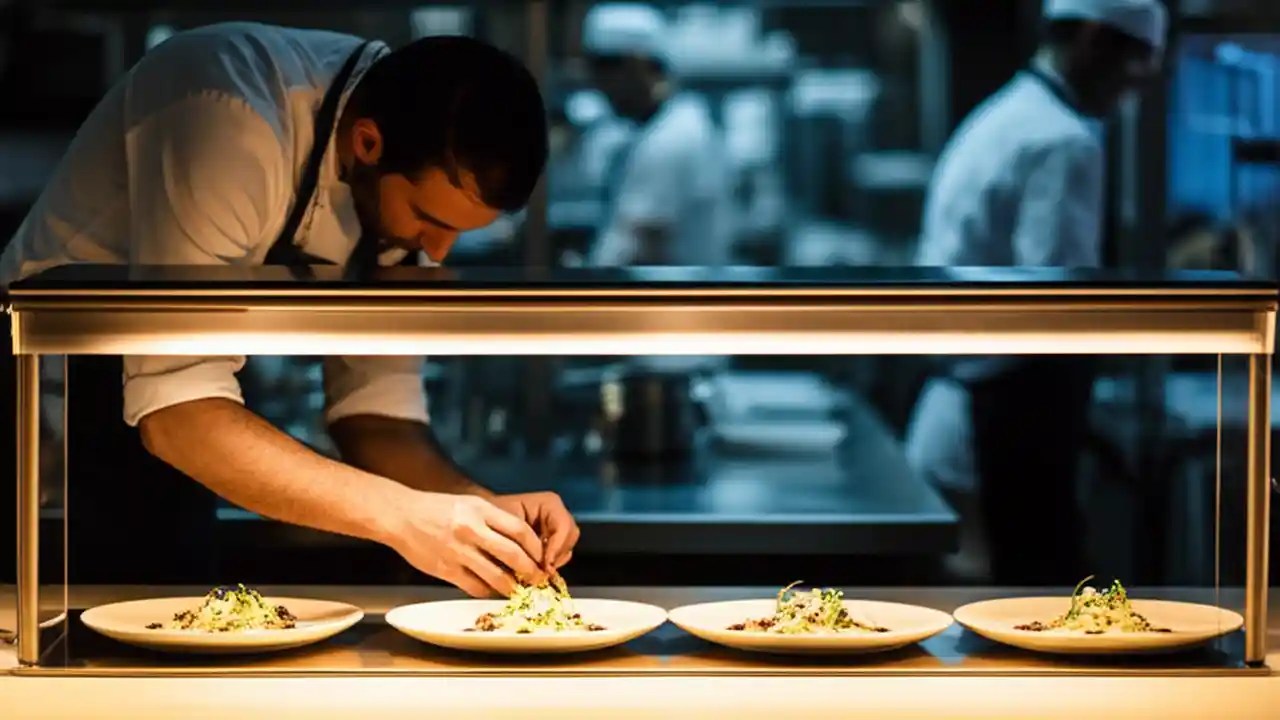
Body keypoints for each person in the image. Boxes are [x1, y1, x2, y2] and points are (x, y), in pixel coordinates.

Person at [0, 23, 577, 596]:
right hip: (43, 402)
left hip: (182, 433)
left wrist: (482, 512)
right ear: (368, 144)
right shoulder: (227, 111)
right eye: (431, 219)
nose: (437, 251)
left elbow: (375, 414)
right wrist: (406, 518)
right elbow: (176, 413)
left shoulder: (403, 173)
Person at [906, 0, 1167, 583]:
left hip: (963, 412)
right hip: (999, 424)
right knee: (1030, 610)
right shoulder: (1062, 140)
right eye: (1134, 73)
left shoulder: (1006, 113)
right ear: (1095, 40)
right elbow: (1058, 300)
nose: (1131, 97)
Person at [582, 2, 734, 267]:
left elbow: (643, 248)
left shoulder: (671, 139)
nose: (597, 84)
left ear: (637, 66)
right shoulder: (668, 125)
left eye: (604, 68)